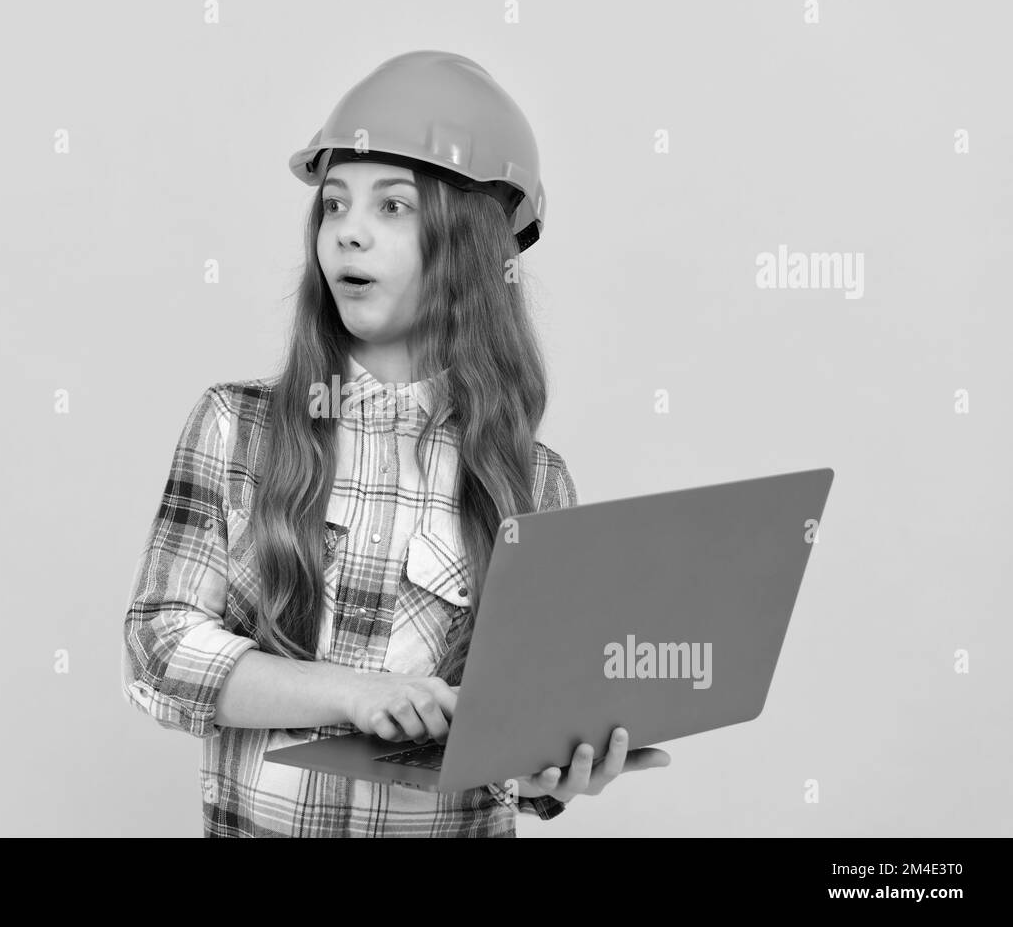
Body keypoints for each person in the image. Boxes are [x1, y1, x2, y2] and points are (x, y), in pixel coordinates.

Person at [122, 50, 670, 837]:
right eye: (334, 205)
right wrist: (349, 691)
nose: (347, 234)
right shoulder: (236, 429)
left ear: (469, 245)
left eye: (392, 208)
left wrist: (553, 767)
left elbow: (517, 739)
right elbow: (157, 649)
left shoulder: (534, 486)